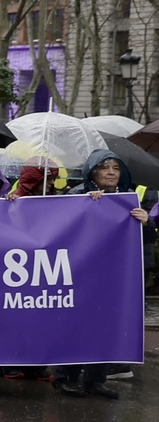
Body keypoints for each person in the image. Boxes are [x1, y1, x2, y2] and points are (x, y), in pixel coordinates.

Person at [55, 150, 153, 399]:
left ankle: (95, 380)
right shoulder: (78, 195)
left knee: (104, 326)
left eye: (115, 168)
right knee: (76, 324)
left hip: (111, 277)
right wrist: (84, 204)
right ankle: (66, 376)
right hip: (80, 274)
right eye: (104, 167)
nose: (111, 172)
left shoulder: (125, 200)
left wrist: (145, 222)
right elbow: (59, 225)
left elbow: (139, 242)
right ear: (92, 171)